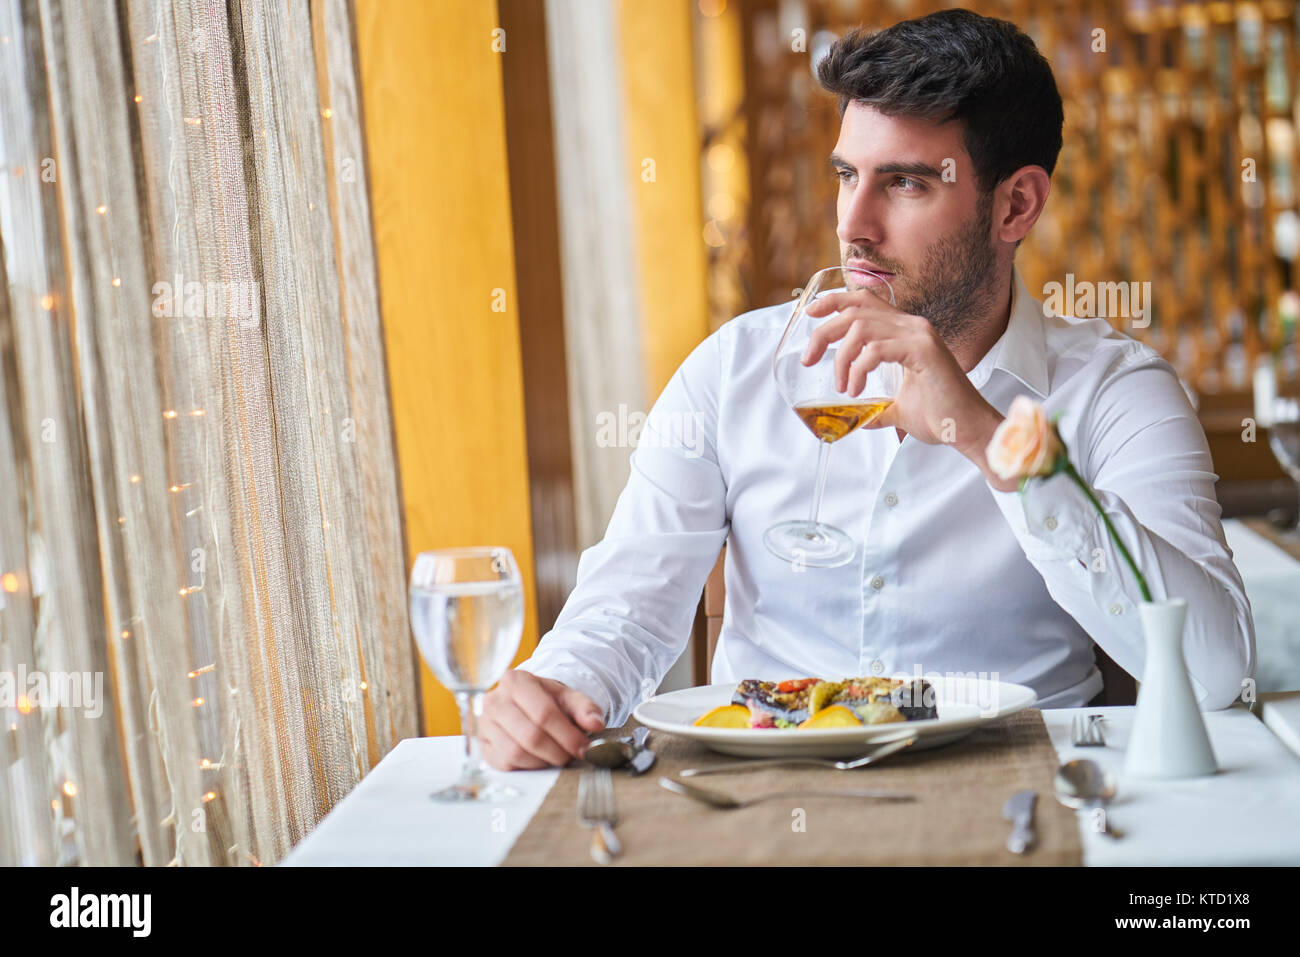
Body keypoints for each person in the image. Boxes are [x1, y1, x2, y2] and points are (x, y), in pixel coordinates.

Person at [479, 8, 1255, 771]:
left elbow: (1220, 672)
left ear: (1016, 205)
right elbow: (625, 606)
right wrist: (558, 693)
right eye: (848, 175)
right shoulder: (732, 372)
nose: (854, 223)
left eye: (906, 184)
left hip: (1026, 804)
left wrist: (990, 440)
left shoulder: (1118, 393)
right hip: (759, 806)